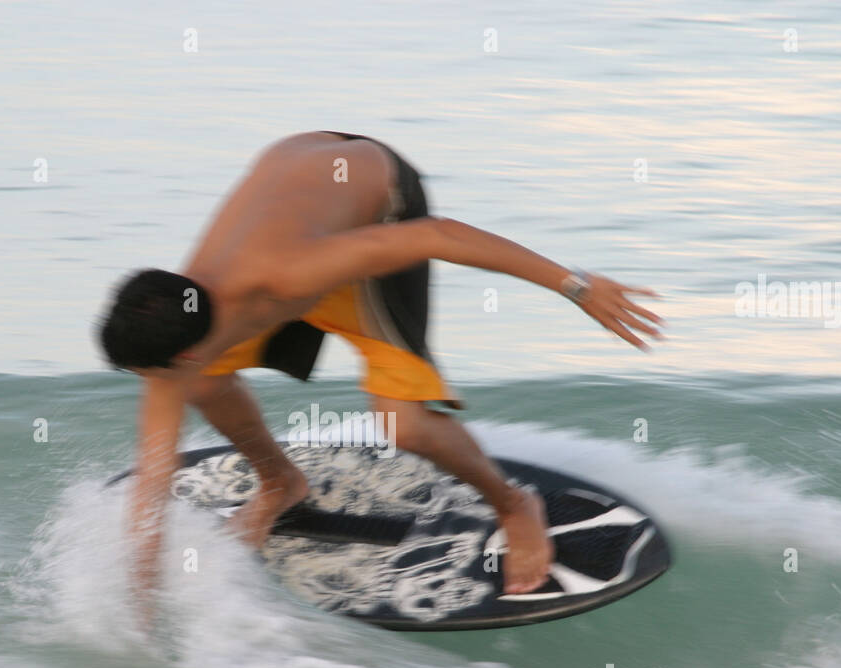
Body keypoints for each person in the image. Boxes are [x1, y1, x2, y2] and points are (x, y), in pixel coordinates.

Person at [99, 131, 663, 604]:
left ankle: (515, 503)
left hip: (376, 200)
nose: (148, 387)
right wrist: (138, 617)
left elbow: (438, 236)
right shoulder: (183, 315)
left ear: (182, 354)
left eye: (149, 374)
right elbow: (153, 481)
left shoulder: (283, 274)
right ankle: (280, 483)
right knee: (204, 385)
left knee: (402, 425)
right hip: (305, 193)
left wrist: (576, 285)